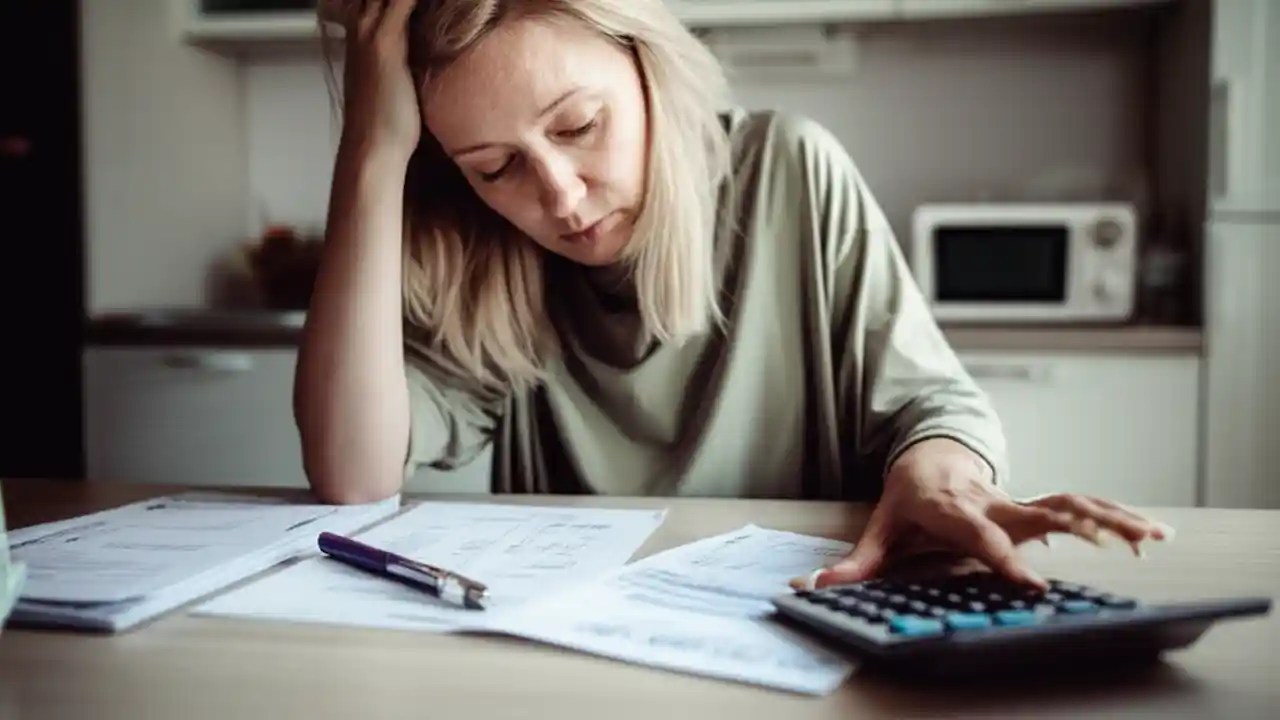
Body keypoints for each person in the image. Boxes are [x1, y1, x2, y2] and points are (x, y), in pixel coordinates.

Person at [296, 0, 1171, 592]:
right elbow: (352, 472)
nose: (559, 197)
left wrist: (940, 477)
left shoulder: (788, 168)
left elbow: (932, 405)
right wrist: (371, 152)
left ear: (647, 69)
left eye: (579, 126)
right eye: (495, 168)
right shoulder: (488, 257)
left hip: (808, 620)